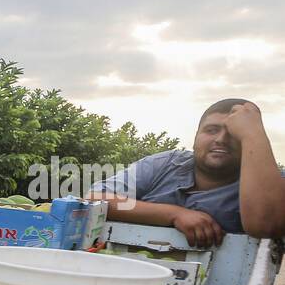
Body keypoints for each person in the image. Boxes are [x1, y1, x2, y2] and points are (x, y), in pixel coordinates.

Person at [88, 99, 285, 246]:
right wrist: (174, 214)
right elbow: (93, 199)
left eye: (234, 133)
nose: (221, 139)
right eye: (212, 130)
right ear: (196, 137)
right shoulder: (164, 164)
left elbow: (266, 225)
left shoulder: (267, 184)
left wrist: (253, 131)